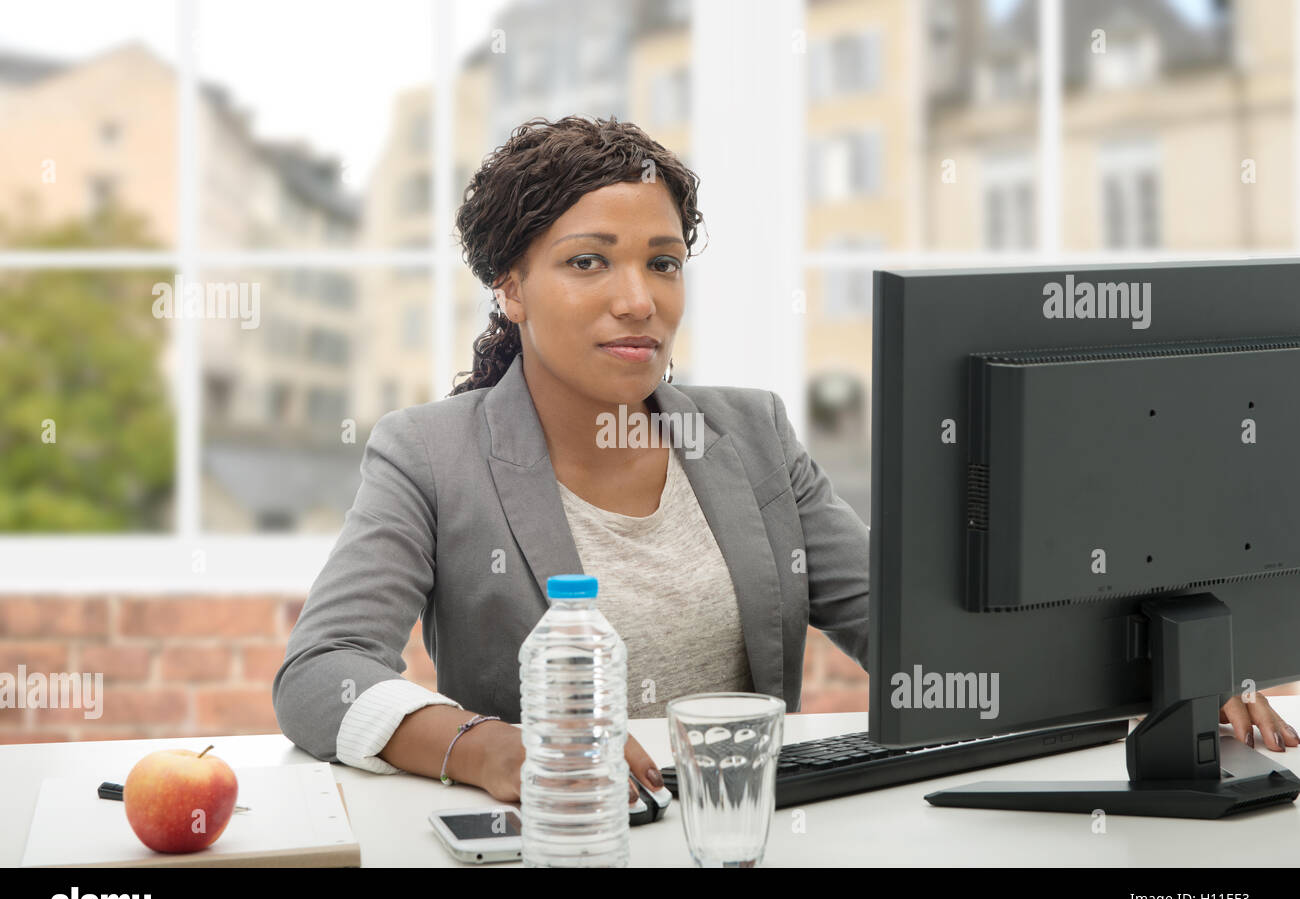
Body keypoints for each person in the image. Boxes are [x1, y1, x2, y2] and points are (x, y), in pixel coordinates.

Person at [272, 115, 1295, 808]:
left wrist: (1173, 680)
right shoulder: (430, 453)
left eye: (662, 263)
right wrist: (489, 748)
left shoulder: (749, 434)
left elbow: (908, 633)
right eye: (589, 261)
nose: (640, 299)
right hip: (568, 842)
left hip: (748, 832)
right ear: (510, 285)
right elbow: (321, 674)